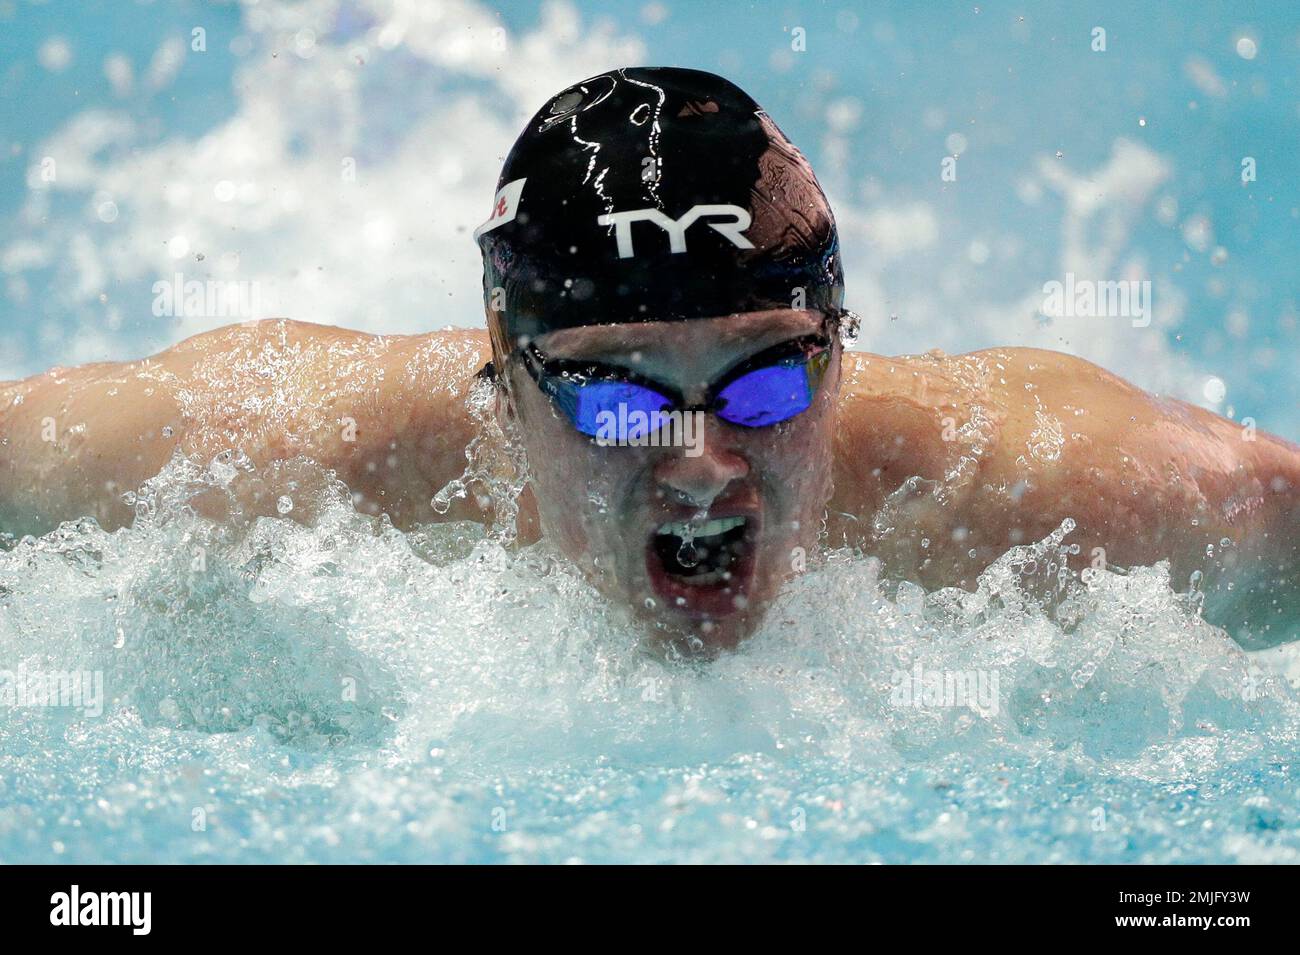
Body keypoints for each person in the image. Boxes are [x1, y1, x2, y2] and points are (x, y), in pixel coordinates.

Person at [1, 67, 1296, 649]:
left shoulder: (1021, 493)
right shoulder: (285, 463)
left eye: (769, 380)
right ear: (503, 391)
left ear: (843, 361)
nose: (701, 462)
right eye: (621, 393)